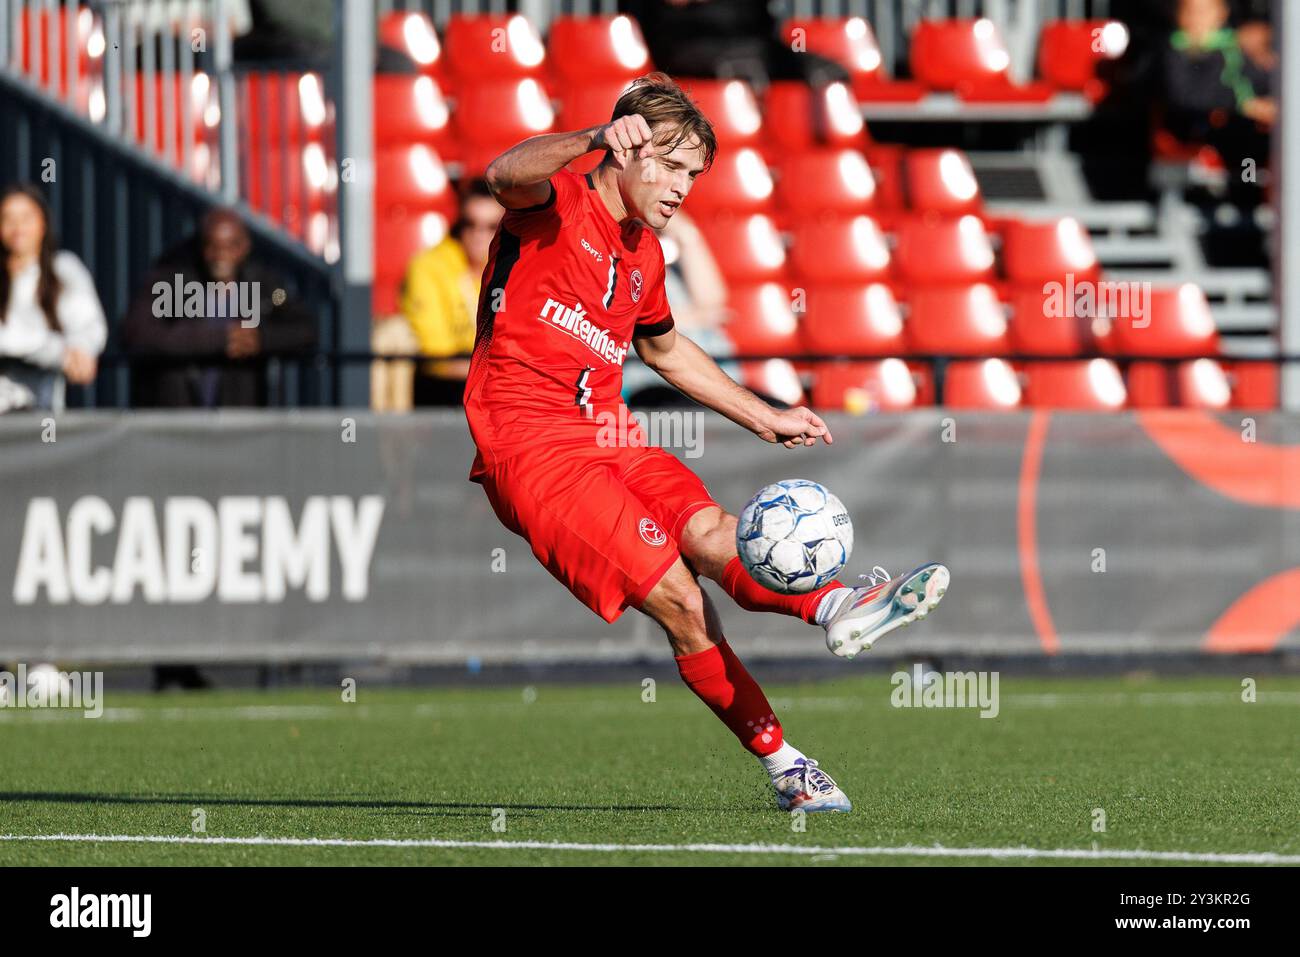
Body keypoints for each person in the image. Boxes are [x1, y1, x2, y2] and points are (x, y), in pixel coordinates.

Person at [465, 73, 950, 814]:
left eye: (696, 173)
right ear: (630, 151)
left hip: (611, 435)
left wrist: (763, 413)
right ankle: (788, 765)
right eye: (677, 167)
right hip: (533, 450)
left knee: (721, 534)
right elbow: (504, 174)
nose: (686, 188)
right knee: (684, 603)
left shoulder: (645, 256)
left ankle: (837, 607)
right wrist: (590, 136)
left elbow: (664, 352)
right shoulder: (555, 207)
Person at [122, 208, 317, 407]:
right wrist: (218, 339)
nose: (221, 255)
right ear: (201, 247)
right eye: (212, 246)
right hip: (178, 415)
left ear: (245, 247)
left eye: (230, 246)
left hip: (240, 417)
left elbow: (303, 328)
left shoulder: (267, 288)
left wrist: (259, 339)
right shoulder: (170, 282)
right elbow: (138, 332)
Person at [0, 184, 106, 413]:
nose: (17, 227)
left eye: (26, 218)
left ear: (43, 224)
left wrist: (81, 351)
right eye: (8, 218)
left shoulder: (63, 270)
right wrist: (58, 352)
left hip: (43, 413)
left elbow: (88, 327)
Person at [1160, 0, 1275, 206]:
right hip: (1199, 128)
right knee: (1246, 144)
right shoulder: (1177, 50)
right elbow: (1187, 97)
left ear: (1221, 14)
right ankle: (1246, 194)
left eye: (1204, 12)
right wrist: (1242, 105)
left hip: (1239, 126)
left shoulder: (1231, 48)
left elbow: (1255, 79)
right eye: (1191, 12)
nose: (1197, 20)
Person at [402, 179, 504, 406]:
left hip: (501, 392)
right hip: (445, 393)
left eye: (491, 226)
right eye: (470, 223)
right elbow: (437, 357)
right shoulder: (429, 267)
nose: (478, 234)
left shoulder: (518, 266)